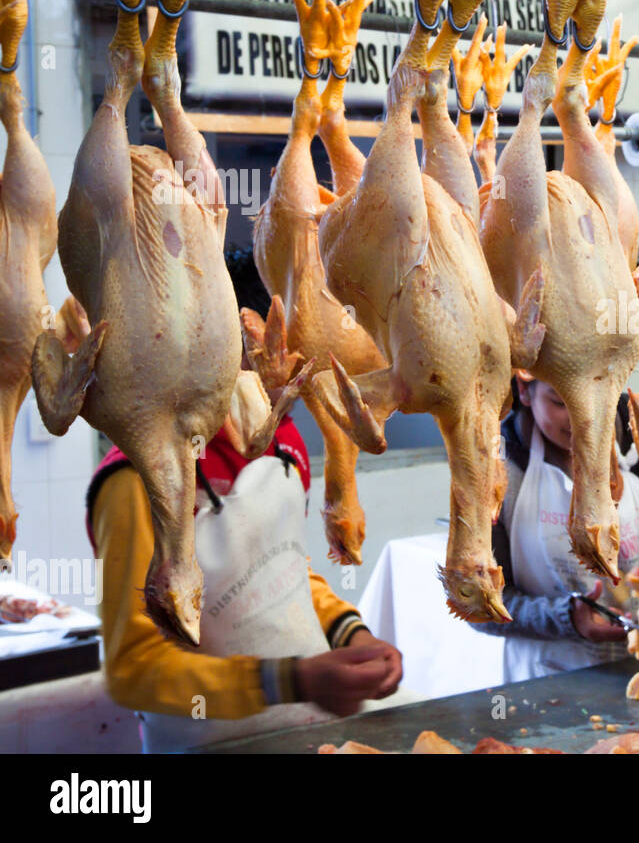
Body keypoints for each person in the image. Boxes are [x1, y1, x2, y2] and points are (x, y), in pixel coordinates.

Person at [86, 248, 404, 752]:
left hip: (312, 735)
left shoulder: (285, 445)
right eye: (254, 359)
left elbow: (284, 570)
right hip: (205, 744)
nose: (277, 380)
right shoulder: (134, 479)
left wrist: (351, 635)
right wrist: (287, 681)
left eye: (288, 362)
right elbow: (133, 668)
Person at [474, 375, 639, 680]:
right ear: (525, 392)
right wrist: (565, 618)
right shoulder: (491, 463)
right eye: (560, 402)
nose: (585, 420)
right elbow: (477, 603)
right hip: (550, 683)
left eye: (599, 399)